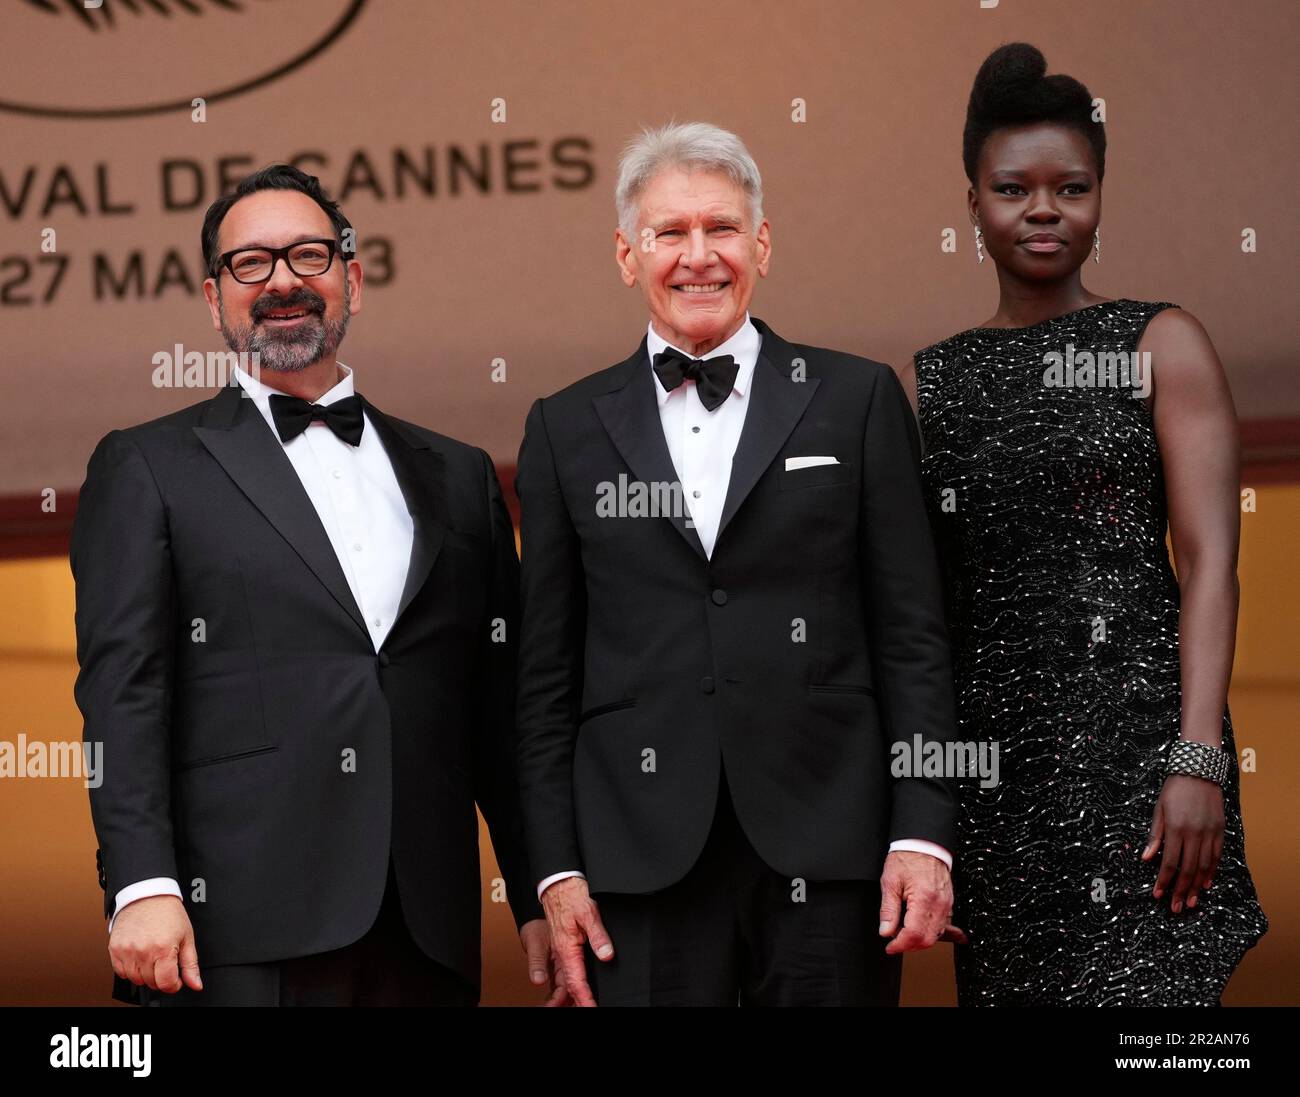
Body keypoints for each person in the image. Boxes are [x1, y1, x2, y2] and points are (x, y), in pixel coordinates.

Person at [71, 164, 551, 1006]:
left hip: (424, 930)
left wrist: (541, 885)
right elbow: (124, 696)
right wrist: (142, 883)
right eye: (250, 263)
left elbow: (497, 715)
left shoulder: (461, 475)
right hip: (236, 931)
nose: (283, 279)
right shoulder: (146, 465)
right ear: (213, 299)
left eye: (308, 255)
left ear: (353, 280)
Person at [515, 122, 963, 1007]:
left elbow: (914, 634)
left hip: (832, 855)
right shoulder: (563, 427)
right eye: (668, 233)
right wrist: (554, 870)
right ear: (625, 254)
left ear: (761, 244)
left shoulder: (858, 397)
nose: (698, 256)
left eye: (720, 228)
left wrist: (924, 834)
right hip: (635, 869)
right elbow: (543, 680)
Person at [900, 43, 1268, 1005]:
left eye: (1073, 187)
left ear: (1101, 197)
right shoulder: (930, 383)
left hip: (1144, 772)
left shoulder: (1160, 342)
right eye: (1013, 188)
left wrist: (1199, 758)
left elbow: (1211, 565)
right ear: (972, 202)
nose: (1044, 210)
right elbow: (917, 613)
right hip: (998, 795)